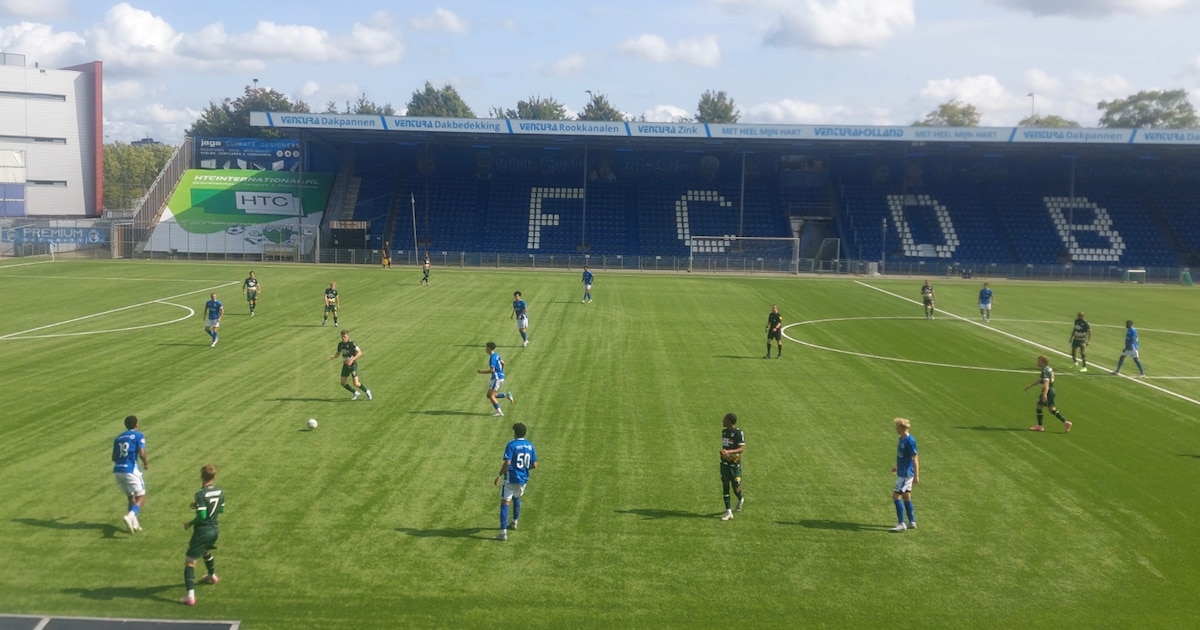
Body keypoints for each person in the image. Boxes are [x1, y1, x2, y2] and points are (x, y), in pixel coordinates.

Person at [180, 463, 225, 606]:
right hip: (214, 529)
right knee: (205, 550)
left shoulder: (200, 494)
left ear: (201, 476)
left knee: (189, 561)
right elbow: (220, 510)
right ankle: (212, 576)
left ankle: (190, 597)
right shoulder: (219, 491)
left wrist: (190, 523)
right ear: (214, 476)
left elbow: (203, 514)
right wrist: (198, 505)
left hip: (203, 531)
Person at [493, 422, 538, 541]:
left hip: (510, 478)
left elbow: (507, 463)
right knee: (517, 498)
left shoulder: (511, 445)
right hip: (523, 479)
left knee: (505, 502)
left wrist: (499, 475)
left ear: (515, 433)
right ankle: (515, 522)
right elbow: (534, 464)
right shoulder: (530, 445)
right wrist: (524, 469)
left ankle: (503, 532)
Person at [112, 415, 148, 534]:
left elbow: (113, 457)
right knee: (141, 497)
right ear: (136, 424)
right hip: (130, 470)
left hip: (118, 471)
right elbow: (141, 452)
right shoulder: (138, 435)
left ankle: (134, 524)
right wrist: (146, 463)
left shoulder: (118, 438)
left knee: (131, 497)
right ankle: (130, 516)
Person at [1025, 355, 1072, 432]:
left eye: (1038, 361)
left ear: (1042, 362)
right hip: (1051, 390)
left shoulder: (1045, 371)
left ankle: (1040, 426)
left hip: (1048, 391)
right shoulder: (1049, 369)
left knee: (1040, 407)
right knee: (1050, 409)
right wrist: (1030, 386)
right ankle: (1066, 422)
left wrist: (1044, 394)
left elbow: (1046, 383)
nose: (1037, 362)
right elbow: (1041, 380)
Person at [889, 417, 919, 532]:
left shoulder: (909, 441)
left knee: (896, 496)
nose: (895, 429)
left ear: (901, 428)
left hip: (906, 475)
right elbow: (904, 456)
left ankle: (901, 523)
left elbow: (915, 458)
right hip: (902, 471)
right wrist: (897, 466)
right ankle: (912, 521)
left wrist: (916, 475)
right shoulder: (901, 439)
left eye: (897, 427)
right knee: (906, 496)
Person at [329, 329, 372, 400]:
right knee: (343, 382)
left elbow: (360, 352)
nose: (343, 338)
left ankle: (367, 391)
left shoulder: (352, 344)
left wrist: (352, 359)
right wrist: (334, 356)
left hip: (353, 365)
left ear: (348, 336)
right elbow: (338, 353)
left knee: (355, 383)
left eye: (345, 337)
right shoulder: (340, 344)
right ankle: (355, 392)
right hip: (345, 365)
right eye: (342, 337)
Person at [719, 413, 745, 521]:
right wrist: (724, 453)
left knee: (735, 488)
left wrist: (729, 452)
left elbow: (741, 449)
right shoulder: (724, 432)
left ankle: (740, 498)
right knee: (725, 485)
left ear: (729, 421)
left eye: (724, 419)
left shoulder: (738, 433)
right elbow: (725, 446)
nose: (722, 421)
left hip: (734, 465)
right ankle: (728, 512)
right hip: (724, 464)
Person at [477, 341, 512, 416]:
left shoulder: (492, 358)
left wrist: (481, 372)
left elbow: (492, 370)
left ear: (489, 348)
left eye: (486, 347)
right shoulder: (497, 355)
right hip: (499, 377)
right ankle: (506, 395)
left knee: (491, 396)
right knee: (489, 395)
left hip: (496, 378)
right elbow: (503, 363)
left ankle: (499, 412)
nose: (485, 349)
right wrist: (501, 371)